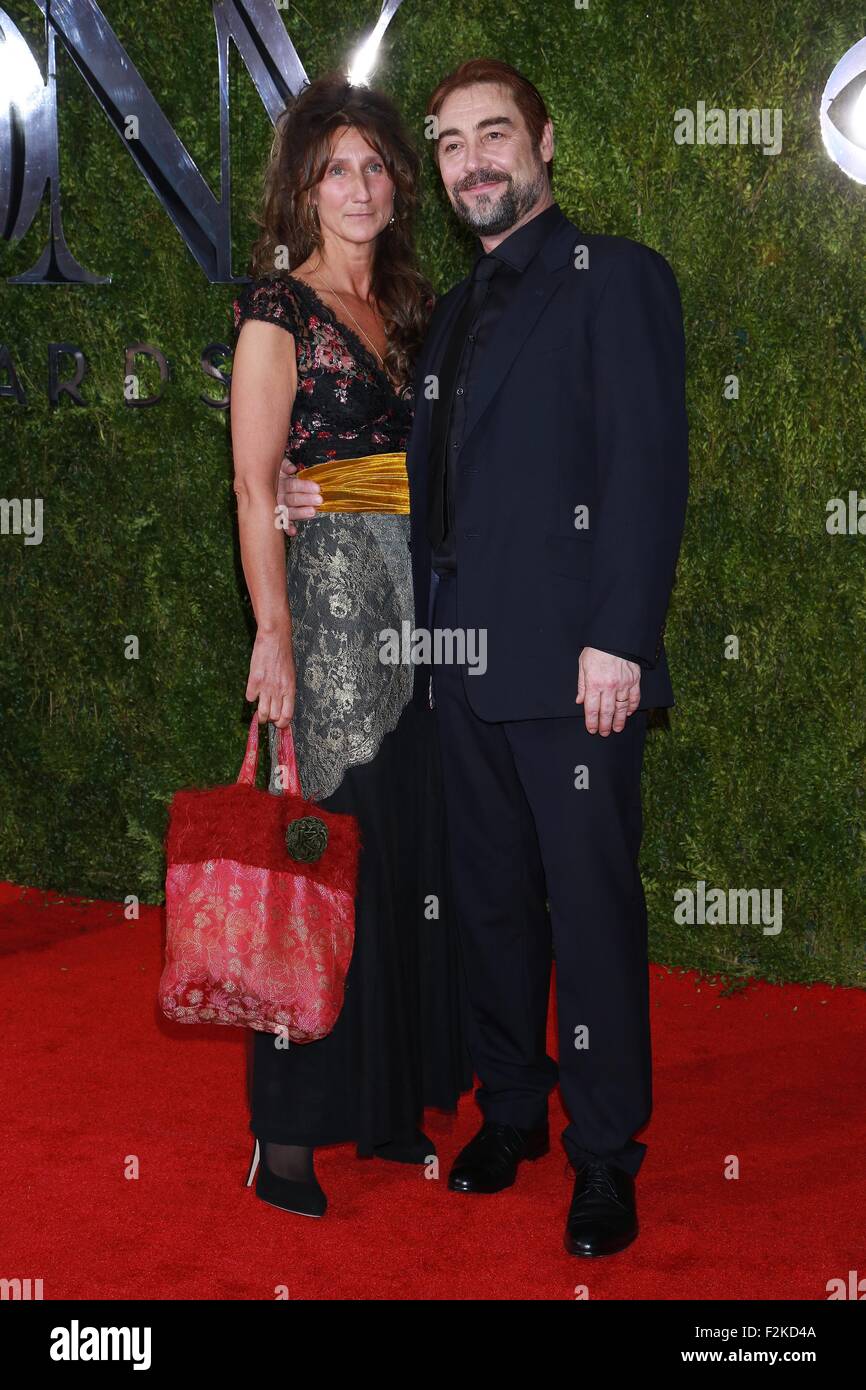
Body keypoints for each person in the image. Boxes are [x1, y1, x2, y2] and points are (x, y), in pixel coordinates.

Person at [279, 58, 689, 1256]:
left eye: (491, 134)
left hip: (573, 669)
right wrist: (329, 487)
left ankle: (605, 1155)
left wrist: (618, 638)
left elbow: (643, 471)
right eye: (450, 144)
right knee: (492, 906)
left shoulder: (614, 279)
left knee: (591, 913)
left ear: (543, 143)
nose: (470, 161)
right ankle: (510, 1113)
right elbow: (430, 474)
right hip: (453, 667)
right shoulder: (450, 313)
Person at [229, 74, 471, 1219]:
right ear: (304, 189)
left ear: (397, 182)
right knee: (321, 857)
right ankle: (285, 1136)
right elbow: (247, 483)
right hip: (327, 619)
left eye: (376, 164)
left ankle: (384, 1105)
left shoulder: (417, 310)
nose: (360, 185)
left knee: (405, 856)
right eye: (338, 168)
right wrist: (271, 635)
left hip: (421, 606)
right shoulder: (277, 310)